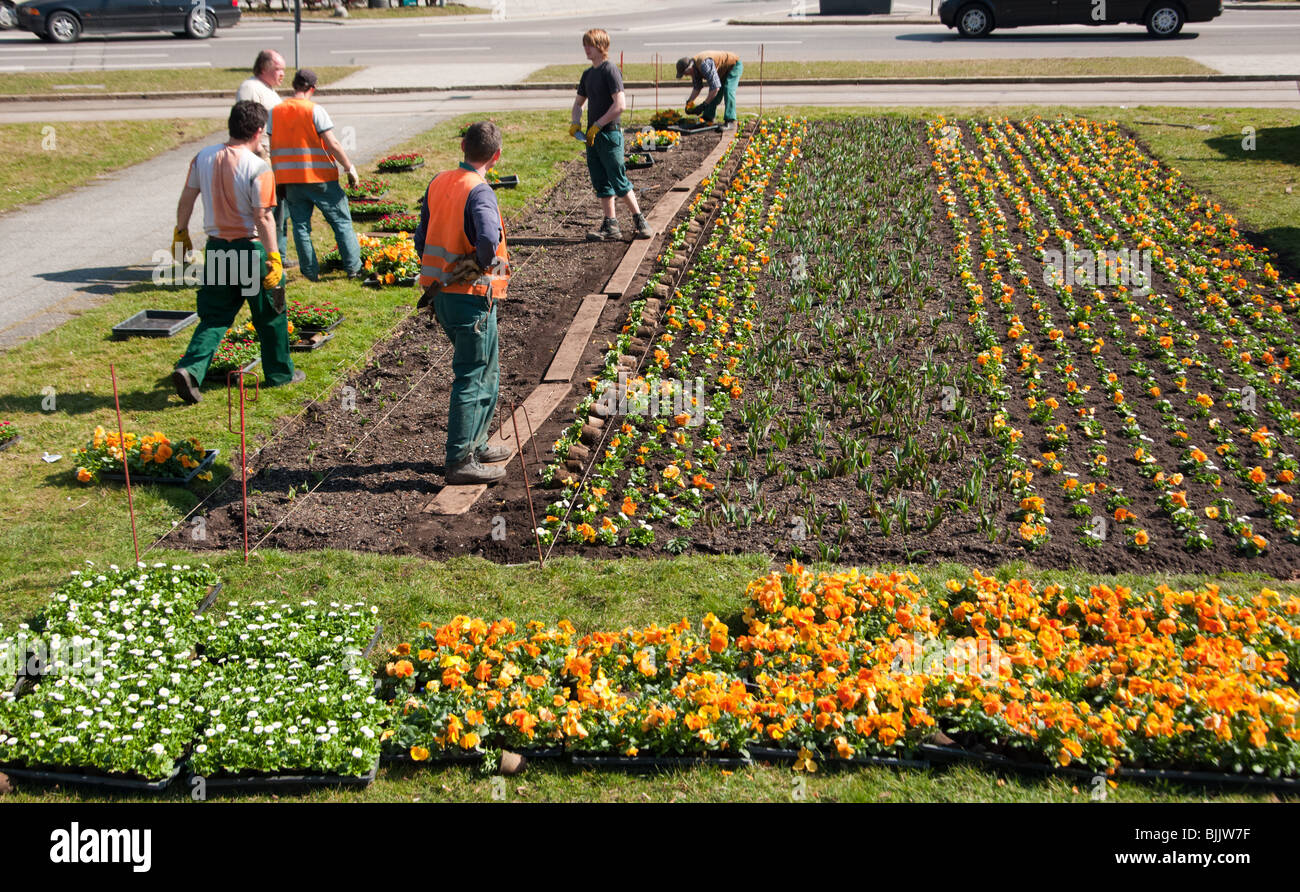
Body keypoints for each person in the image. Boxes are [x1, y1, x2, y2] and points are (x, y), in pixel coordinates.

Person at [170, 100, 303, 405]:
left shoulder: (203, 157)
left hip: (217, 249)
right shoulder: (258, 167)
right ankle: (280, 374)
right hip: (252, 250)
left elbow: (187, 198)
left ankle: (190, 370)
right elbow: (263, 217)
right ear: (258, 131)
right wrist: (274, 257)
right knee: (271, 314)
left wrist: (181, 232)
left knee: (214, 317)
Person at [414, 121, 512, 485]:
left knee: (487, 369)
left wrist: (444, 270)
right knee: (472, 373)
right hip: (471, 297)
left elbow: (421, 236)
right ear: (496, 156)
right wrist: (477, 264)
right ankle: (460, 460)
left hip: (442, 294)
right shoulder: (480, 192)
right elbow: (488, 241)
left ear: (463, 147)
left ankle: (477, 443)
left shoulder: (439, 182)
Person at [269, 69, 361, 281]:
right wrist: (348, 167)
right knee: (341, 222)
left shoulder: (275, 112)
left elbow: (273, 148)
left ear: (294, 85)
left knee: (300, 227)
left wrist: (279, 179)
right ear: (313, 88)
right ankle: (353, 268)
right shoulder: (314, 110)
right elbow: (332, 143)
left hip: (290, 180)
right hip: (320, 178)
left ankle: (310, 272)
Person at [568, 28, 653, 242]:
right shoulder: (588, 74)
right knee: (601, 180)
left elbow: (619, 105)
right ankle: (611, 225)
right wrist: (575, 122)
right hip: (592, 136)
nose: (586, 48)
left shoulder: (610, 70)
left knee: (618, 178)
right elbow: (578, 104)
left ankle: (640, 221)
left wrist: (598, 124)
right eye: (585, 44)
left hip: (609, 134)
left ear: (601, 46)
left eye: (590, 44)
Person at [234, 49, 291, 263]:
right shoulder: (250, 88)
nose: (282, 74)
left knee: (280, 209)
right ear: (264, 68)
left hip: (276, 160)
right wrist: (261, 154)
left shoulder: (268, 90)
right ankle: (267, 255)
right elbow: (246, 123)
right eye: (278, 69)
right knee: (265, 210)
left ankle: (280, 254)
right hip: (261, 160)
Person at [676, 51, 743, 129]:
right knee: (714, 94)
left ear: (689, 68)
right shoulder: (694, 69)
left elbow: (715, 88)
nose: (686, 75)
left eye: (685, 73)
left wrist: (704, 105)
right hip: (722, 70)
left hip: (733, 66)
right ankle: (708, 117)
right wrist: (689, 102)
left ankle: (730, 121)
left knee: (728, 90)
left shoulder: (704, 65)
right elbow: (697, 88)